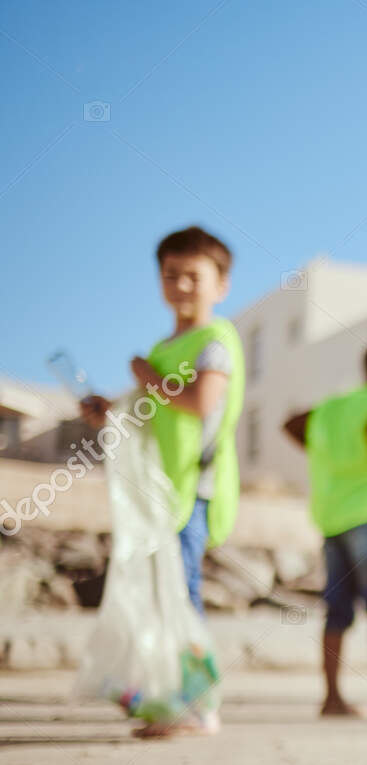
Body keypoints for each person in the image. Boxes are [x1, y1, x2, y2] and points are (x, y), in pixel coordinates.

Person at [78, 225, 246, 738]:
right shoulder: (164, 346)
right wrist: (109, 413)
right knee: (158, 596)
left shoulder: (217, 341)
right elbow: (153, 417)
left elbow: (198, 403)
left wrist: (146, 376)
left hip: (194, 491)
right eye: (171, 275)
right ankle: (167, 696)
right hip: (158, 494)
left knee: (183, 594)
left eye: (193, 276)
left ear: (222, 283)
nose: (181, 286)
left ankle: (197, 706)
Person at [283, 343, 367, 718]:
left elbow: (290, 424)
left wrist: (326, 455)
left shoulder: (335, 405)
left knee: (337, 611)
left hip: (330, 516)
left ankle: (332, 699)